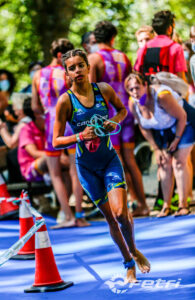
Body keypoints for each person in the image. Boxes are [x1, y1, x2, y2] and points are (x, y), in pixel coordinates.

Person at [53, 48, 150, 282]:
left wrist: (113, 121)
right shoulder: (65, 101)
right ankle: (128, 263)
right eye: (71, 68)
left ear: (88, 67)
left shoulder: (103, 90)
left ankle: (134, 251)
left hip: (109, 161)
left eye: (80, 65)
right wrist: (79, 136)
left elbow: (123, 110)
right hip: (86, 168)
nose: (77, 71)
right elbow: (56, 141)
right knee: (110, 218)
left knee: (121, 214)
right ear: (67, 73)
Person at [88, 20, 149, 217]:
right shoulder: (123, 57)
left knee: (116, 160)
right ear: (113, 37)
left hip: (108, 116)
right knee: (130, 160)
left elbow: (91, 91)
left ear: (96, 39)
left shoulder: (94, 59)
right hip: (127, 111)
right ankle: (142, 204)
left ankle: (123, 208)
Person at [32, 38, 88, 228]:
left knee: (55, 173)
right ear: (60, 56)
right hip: (72, 121)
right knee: (76, 170)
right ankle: (79, 214)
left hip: (51, 124)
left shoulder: (38, 75)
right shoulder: (68, 74)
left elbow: (34, 106)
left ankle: (67, 215)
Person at [126, 72, 195, 217]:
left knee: (179, 162)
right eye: (130, 89)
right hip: (163, 129)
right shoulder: (133, 103)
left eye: (137, 88)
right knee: (163, 163)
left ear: (146, 85)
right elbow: (143, 127)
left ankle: (183, 204)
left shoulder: (161, 95)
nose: (134, 92)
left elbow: (182, 116)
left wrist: (176, 140)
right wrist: (156, 149)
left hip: (185, 122)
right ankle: (166, 205)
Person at [134, 10, 187, 82]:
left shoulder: (143, 49)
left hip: (149, 91)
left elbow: (137, 75)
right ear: (170, 29)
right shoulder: (175, 48)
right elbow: (181, 79)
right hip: (170, 91)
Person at [0, 93, 32, 183]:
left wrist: (1, 128)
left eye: (14, 105)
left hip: (24, 166)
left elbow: (12, 143)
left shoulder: (25, 122)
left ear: (20, 108)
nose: (13, 108)